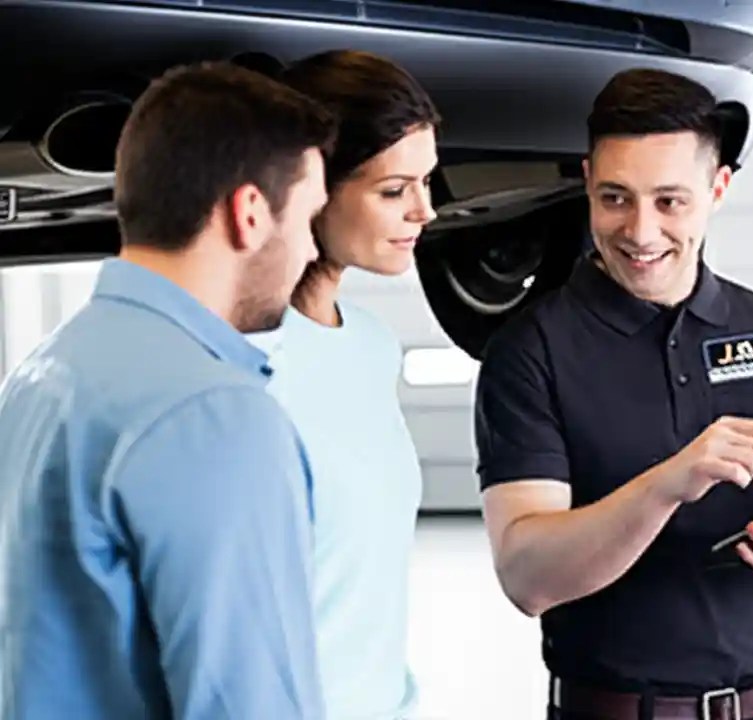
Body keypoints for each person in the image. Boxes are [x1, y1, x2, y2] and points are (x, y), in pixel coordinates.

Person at [472, 68, 753, 720]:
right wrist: (669, 482)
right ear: (587, 181)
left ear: (718, 189)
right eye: (615, 198)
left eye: (670, 202)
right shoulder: (529, 351)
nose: (640, 232)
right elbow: (528, 580)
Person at [0, 62, 334, 718]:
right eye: (308, 219)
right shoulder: (215, 416)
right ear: (249, 214)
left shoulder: (40, 378)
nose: (309, 252)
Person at [242, 49, 441, 720]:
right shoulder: (239, 363)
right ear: (310, 186)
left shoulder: (371, 345)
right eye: (394, 190)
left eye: (426, 182)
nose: (425, 211)